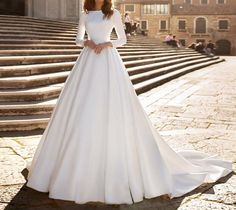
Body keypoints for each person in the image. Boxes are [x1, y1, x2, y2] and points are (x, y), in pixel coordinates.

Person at [26, 0, 232, 205]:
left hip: (108, 60)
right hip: (87, 60)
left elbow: (122, 39)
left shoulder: (113, 13)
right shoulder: (85, 14)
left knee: (113, 106)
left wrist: (107, 43)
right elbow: (78, 39)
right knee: (80, 108)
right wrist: (87, 43)